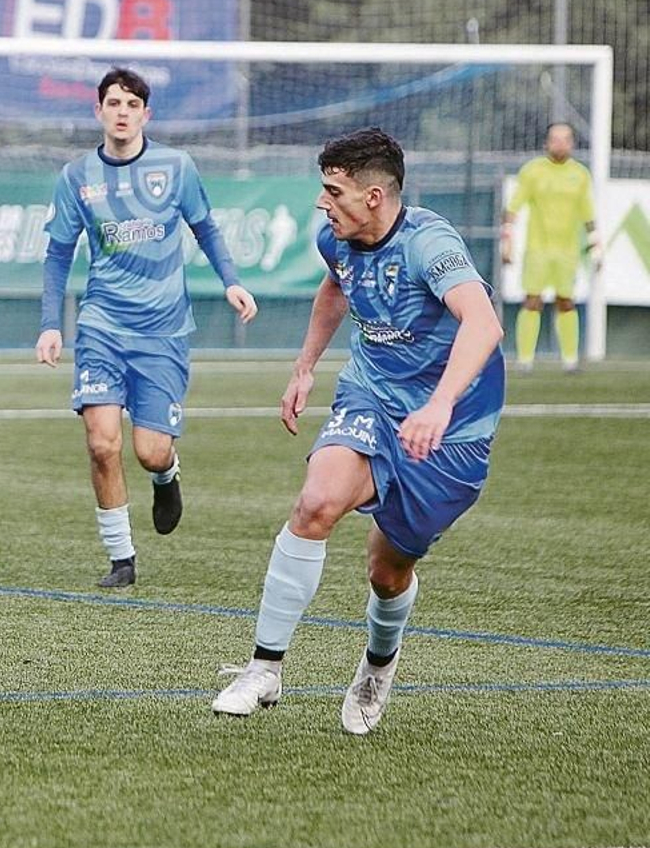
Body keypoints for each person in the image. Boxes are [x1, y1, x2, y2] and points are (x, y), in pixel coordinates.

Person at [212, 128, 505, 735]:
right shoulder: (337, 238)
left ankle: (377, 666)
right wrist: (304, 367)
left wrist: (439, 405)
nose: (323, 203)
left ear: (374, 195)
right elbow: (335, 288)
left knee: (386, 570)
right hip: (370, 395)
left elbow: (483, 324)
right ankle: (264, 668)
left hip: (452, 429)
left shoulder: (432, 245)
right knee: (316, 503)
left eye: (333, 190)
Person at [36, 66, 257, 589]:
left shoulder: (176, 166)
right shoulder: (76, 178)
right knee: (101, 443)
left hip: (163, 330)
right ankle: (122, 558)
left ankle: (166, 473)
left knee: (149, 449)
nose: (122, 112)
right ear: (98, 111)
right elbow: (57, 256)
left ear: (145, 114)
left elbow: (205, 227)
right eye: (113, 103)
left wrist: (231, 281)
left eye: (132, 104)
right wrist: (50, 325)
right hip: (102, 326)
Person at [501, 121, 600, 372]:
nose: (559, 144)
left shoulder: (580, 174)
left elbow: (587, 212)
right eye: (555, 139)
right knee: (532, 300)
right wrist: (507, 239)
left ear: (572, 144)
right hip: (538, 249)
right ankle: (525, 360)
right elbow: (513, 207)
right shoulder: (533, 171)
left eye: (565, 139)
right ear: (547, 142)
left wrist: (595, 244)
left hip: (567, 251)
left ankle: (570, 360)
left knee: (566, 301)